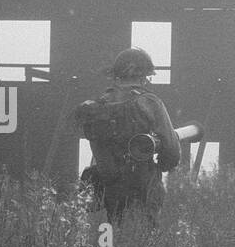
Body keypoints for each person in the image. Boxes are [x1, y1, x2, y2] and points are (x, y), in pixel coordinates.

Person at [75, 48, 182, 225]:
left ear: (116, 75)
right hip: (142, 185)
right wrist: (162, 164)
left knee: (107, 239)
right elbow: (171, 150)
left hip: (106, 186)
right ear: (144, 76)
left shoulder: (98, 104)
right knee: (143, 240)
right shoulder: (149, 102)